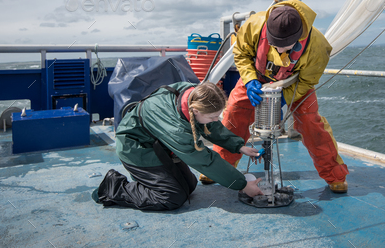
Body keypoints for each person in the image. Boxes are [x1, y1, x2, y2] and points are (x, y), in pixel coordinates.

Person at [211, 0, 349, 193]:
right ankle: (221, 166)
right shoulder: (254, 24)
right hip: (256, 78)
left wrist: (282, 97)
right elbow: (242, 54)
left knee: (311, 124)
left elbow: (307, 82)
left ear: (298, 37)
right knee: (234, 113)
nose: (278, 49)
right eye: (273, 43)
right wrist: (250, 80)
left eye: (284, 46)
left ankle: (334, 175)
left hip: (294, 84)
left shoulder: (318, 46)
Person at [95, 81, 263, 211]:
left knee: (189, 185)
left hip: (160, 144)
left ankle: (155, 180)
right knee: (171, 197)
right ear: (195, 111)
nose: (215, 120)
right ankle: (113, 187)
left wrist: (238, 146)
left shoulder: (193, 95)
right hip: (136, 149)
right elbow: (204, 160)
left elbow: (210, 125)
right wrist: (242, 184)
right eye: (213, 116)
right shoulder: (176, 130)